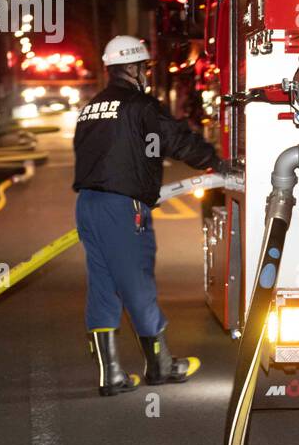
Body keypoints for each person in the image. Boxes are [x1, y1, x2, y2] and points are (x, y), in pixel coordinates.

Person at [72, 36, 231, 396]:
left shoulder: (90, 108)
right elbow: (174, 139)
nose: (145, 73)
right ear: (132, 68)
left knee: (103, 285)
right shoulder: (140, 105)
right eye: (143, 67)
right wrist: (214, 161)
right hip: (122, 207)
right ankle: (160, 365)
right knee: (136, 280)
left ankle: (109, 374)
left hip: (87, 206)